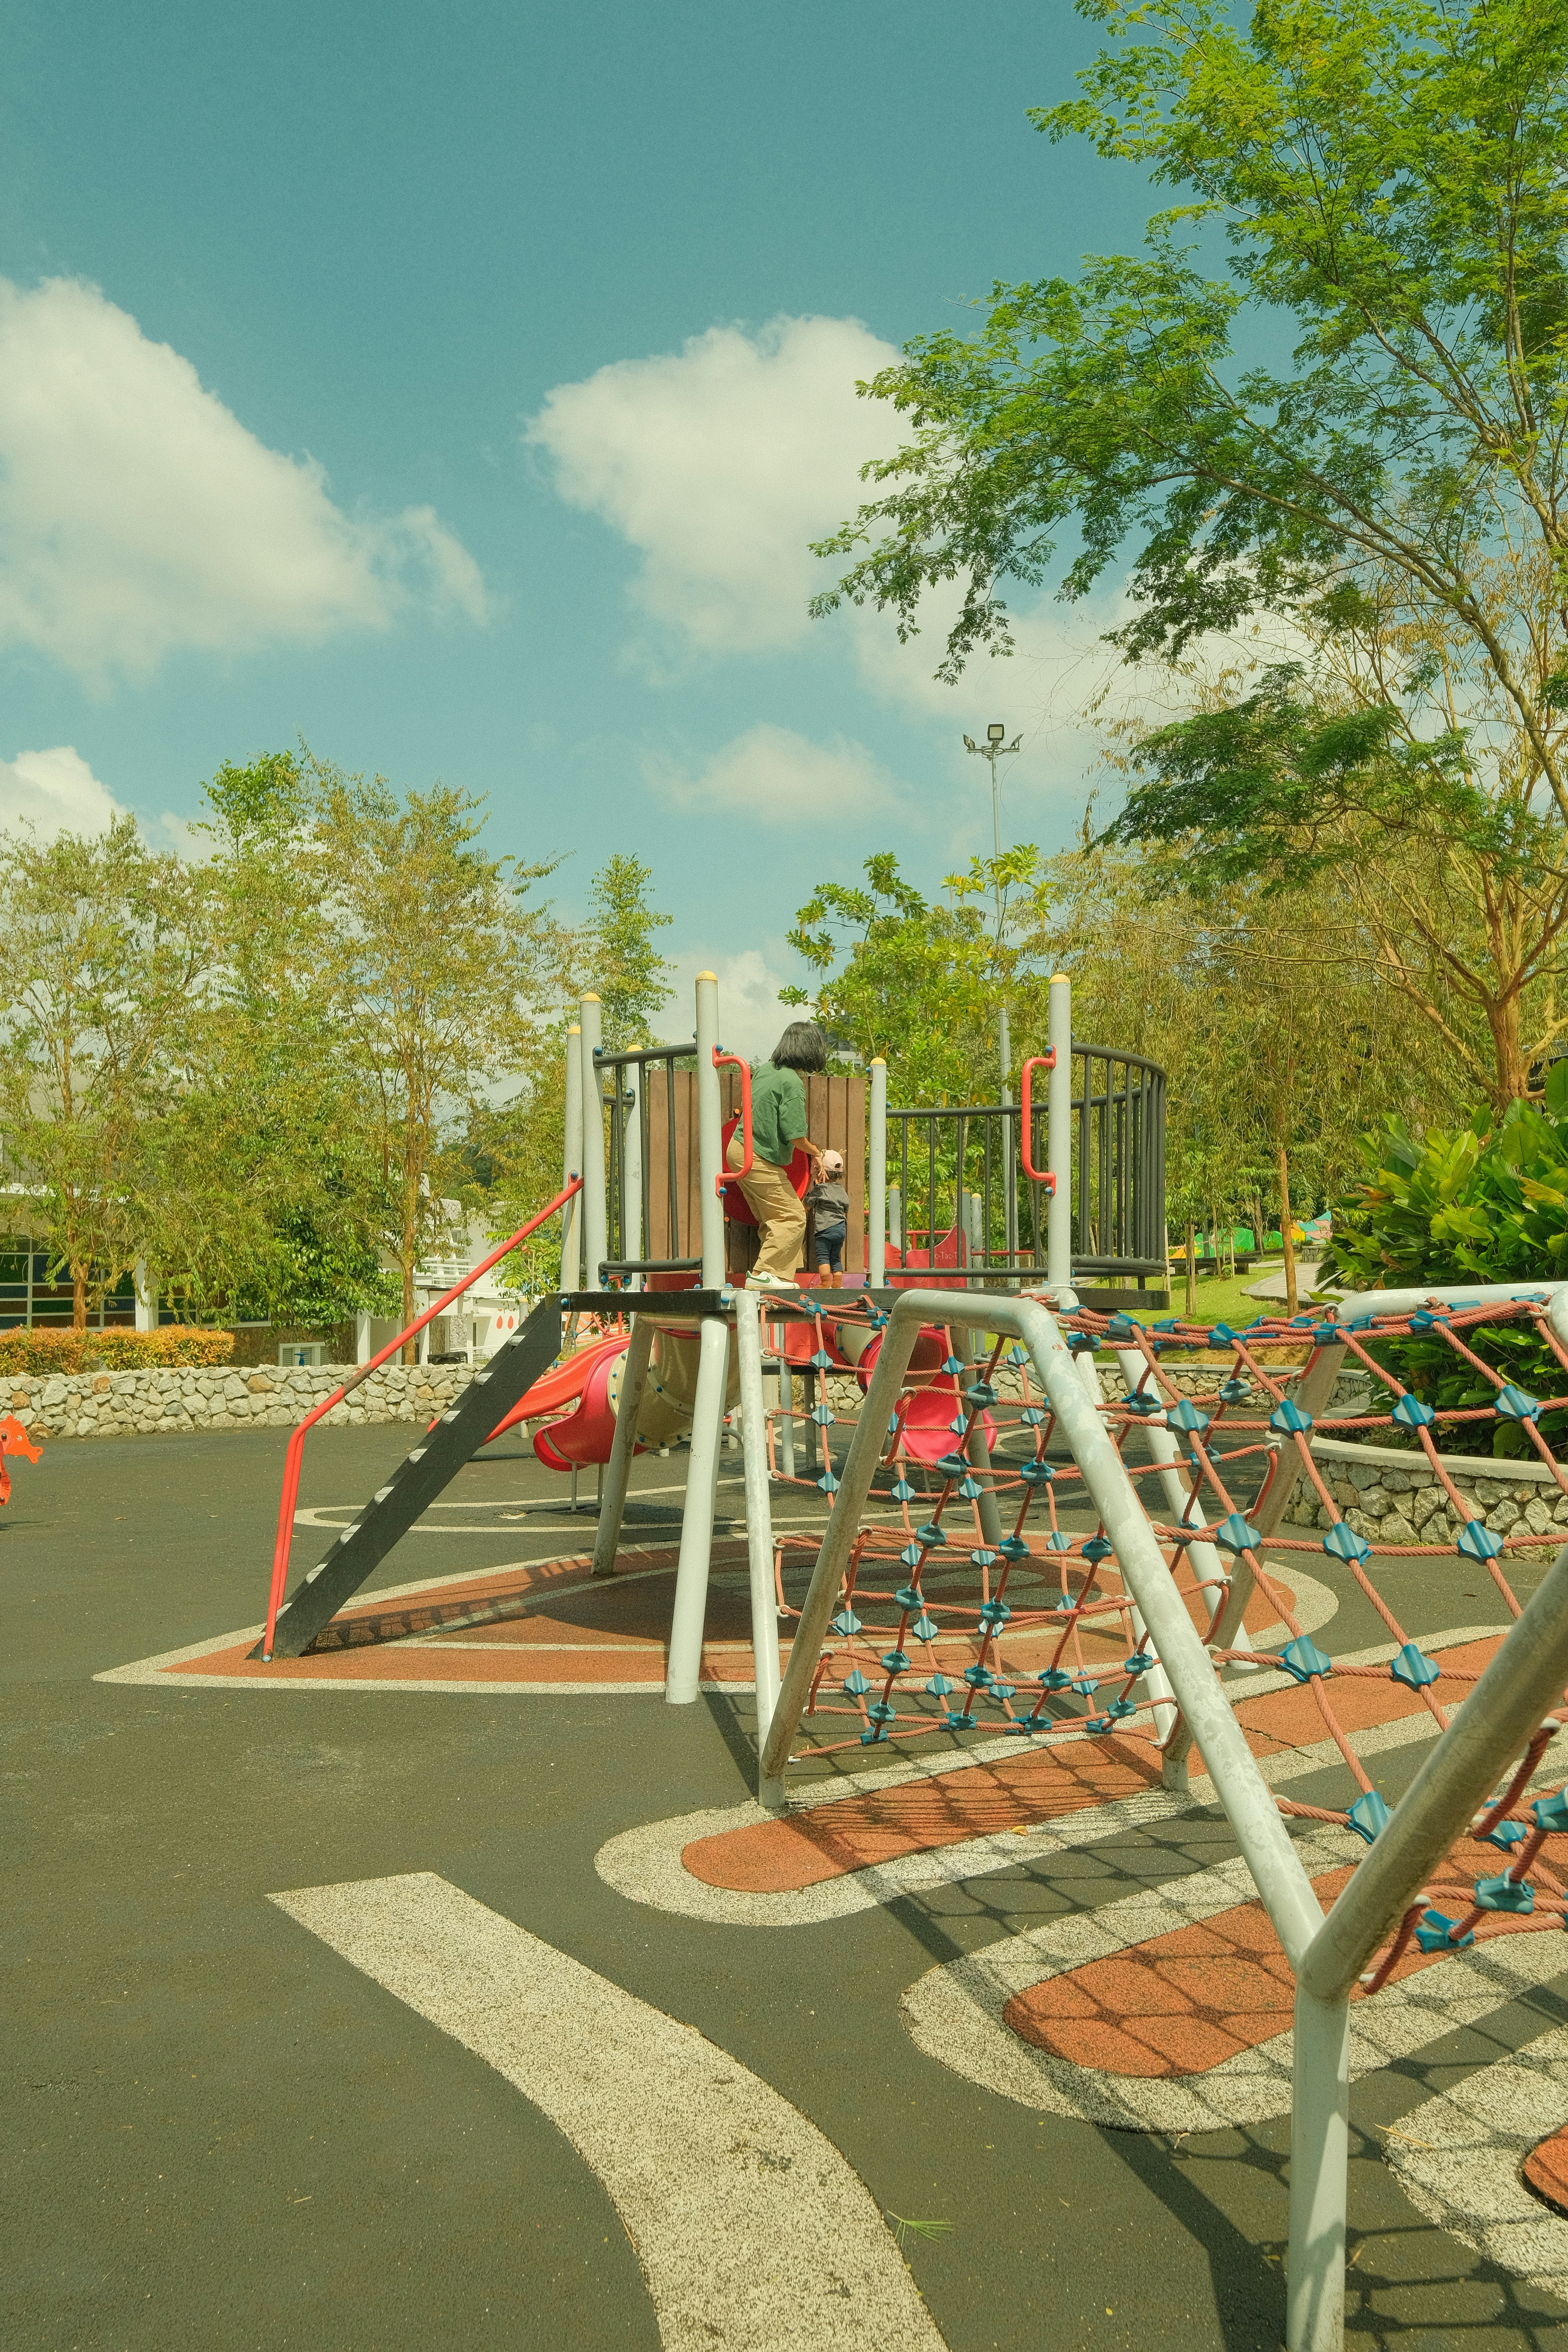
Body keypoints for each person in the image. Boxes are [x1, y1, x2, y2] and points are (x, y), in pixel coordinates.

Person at [730, 1021, 824, 1291]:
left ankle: (779, 1278)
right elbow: (795, 1133)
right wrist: (816, 1153)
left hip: (740, 1150)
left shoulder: (766, 1071)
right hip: (757, 1155)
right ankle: (764, 1274)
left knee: (773, 1218)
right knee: (793, 1217)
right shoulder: (792, 1082)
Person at [805, 1149, 850, 1289]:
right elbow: (846, 1207)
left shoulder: (820, 1189)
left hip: (825, 1227)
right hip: (841, 1228)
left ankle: (825, 1284)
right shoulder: (841, 1190)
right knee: (835, 1256)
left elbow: (807, 1206)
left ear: (820, 1171)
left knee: (823, 1254)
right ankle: (838, 1284)